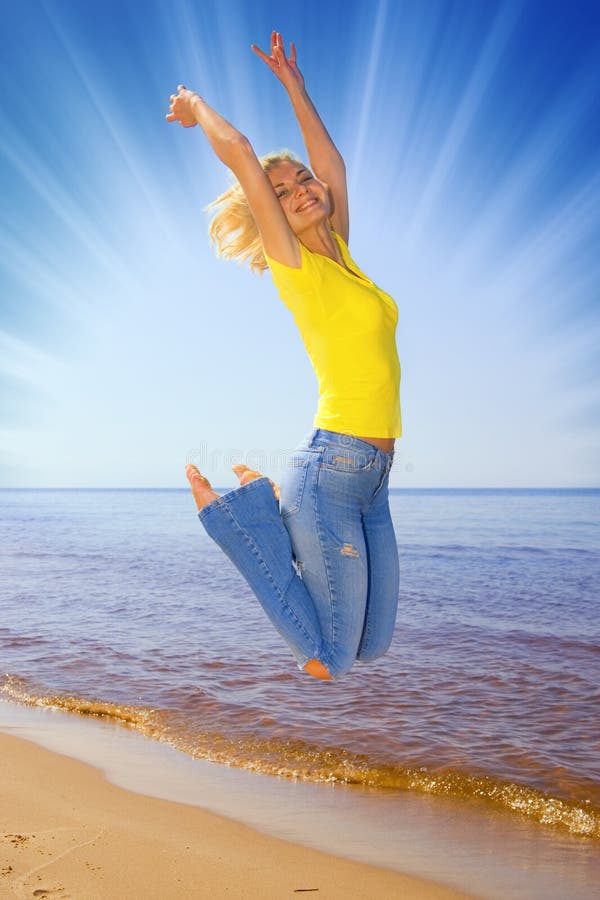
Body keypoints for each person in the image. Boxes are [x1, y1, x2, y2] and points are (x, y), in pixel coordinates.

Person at [166, 32, 401, 681]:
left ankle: (267, 504)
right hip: (333, 469)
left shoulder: (342, 257)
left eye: (303, 180)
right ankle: (240, 525)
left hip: (374, 478)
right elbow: (242, 154)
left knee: (372, 647)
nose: (301, 191)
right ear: (272, 216)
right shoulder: (296, 267)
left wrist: (295, 87)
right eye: (284, 193)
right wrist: (194, 106)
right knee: (327, 659)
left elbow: (334, 167)